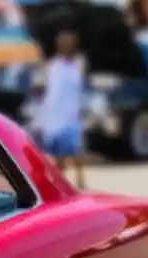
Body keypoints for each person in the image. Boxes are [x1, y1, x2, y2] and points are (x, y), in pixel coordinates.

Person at [34, 29, 87, 189]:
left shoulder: (79, 63)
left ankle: (80, 182)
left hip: (72, 114)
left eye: (69, 44)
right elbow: (42, 86)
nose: (66, 47)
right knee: (59, 154)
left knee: (76, 151)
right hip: (55, 115)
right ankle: (60, 183)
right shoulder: (52, 65)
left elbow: (80, 85)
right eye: (64, 45)